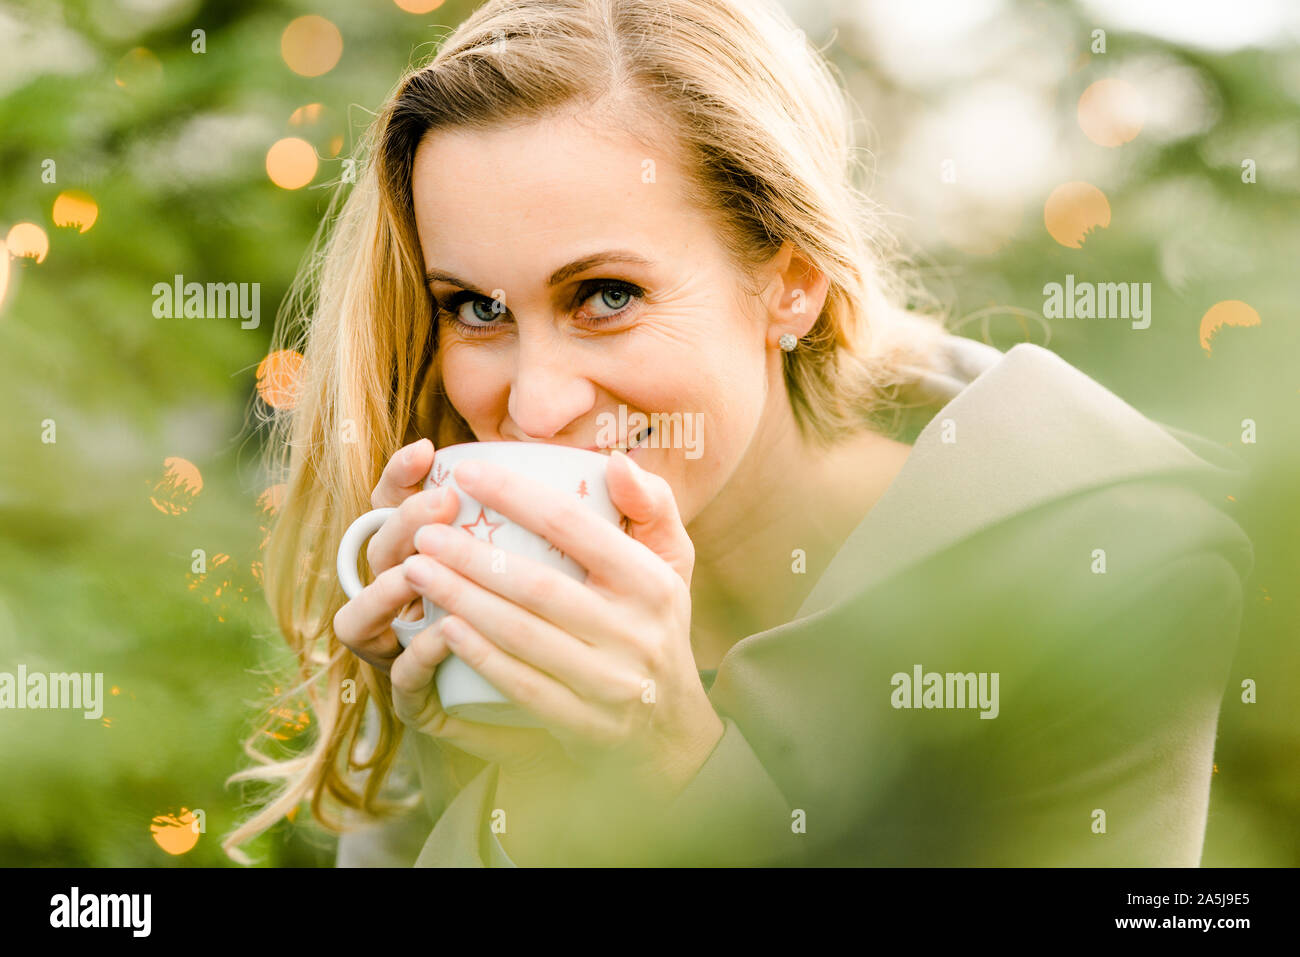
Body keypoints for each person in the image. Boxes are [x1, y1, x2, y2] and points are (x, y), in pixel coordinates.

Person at [223, 0, 1253, 867]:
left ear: (793, 281)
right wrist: (520, 783)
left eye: (605, 295)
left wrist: (670, 764)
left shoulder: (1107, 570)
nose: (534, 407)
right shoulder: (460, 559)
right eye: (475, 310)